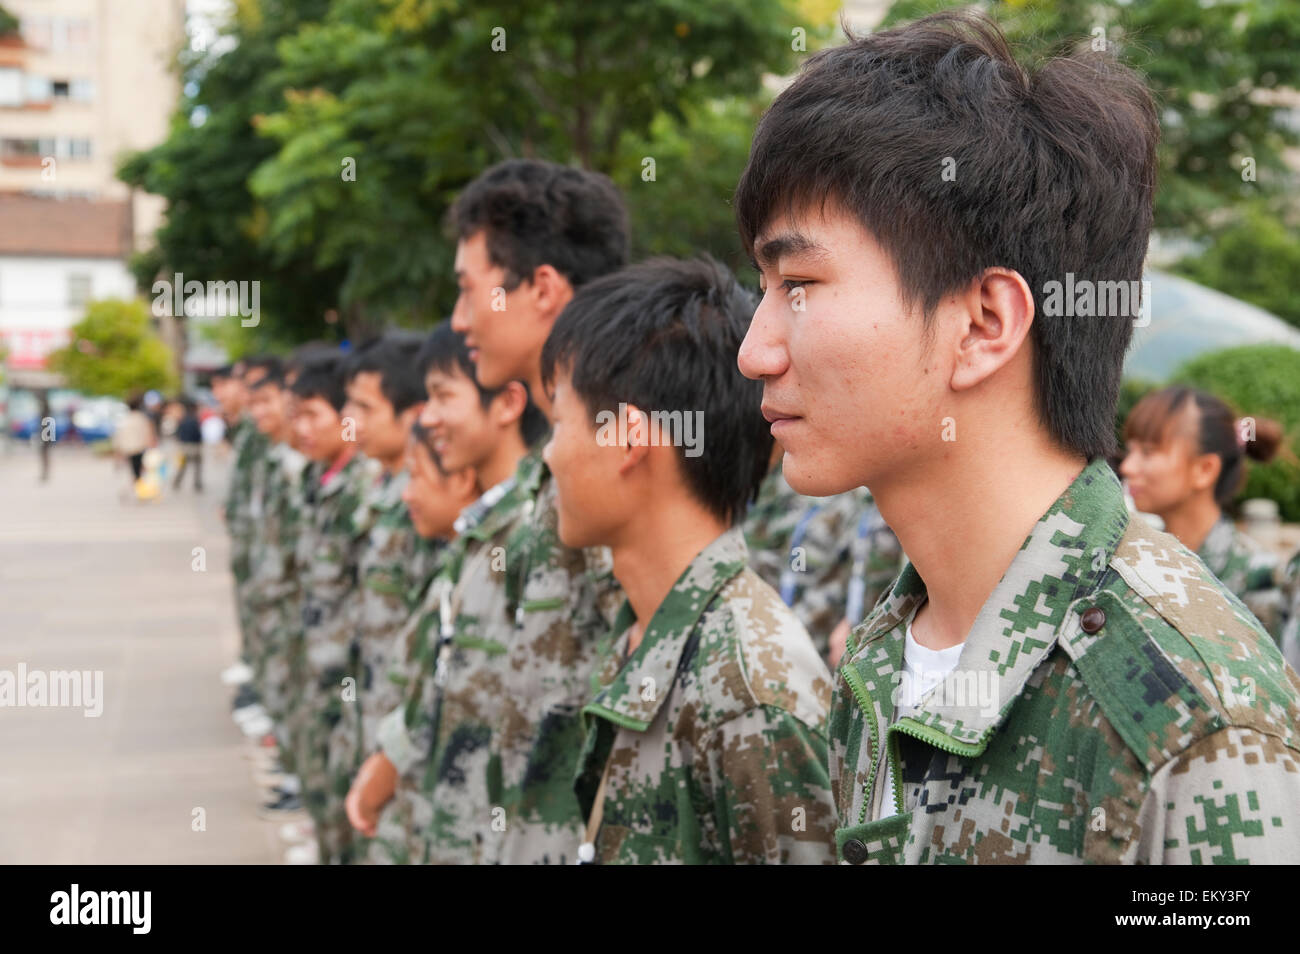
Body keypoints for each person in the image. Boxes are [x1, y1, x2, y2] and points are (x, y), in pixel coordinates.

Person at [734, 10, 1300, 863]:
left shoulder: (1195, 729)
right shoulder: (890, 655)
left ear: (984, 323)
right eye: (764, 287)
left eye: (801, 284)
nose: (754, 350)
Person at [543, 256, 837, 864]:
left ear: (626, 438)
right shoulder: (639, 625)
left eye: (557, 421)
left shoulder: (751, 693)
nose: (548, 456)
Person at [449, 158, 631, 863]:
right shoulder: (547, 466)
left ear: (542, 288)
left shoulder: (624, 463)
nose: (460, 321)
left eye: (470, 292)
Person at [349, 323, 546, 863]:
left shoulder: (538, 536)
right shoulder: (482, 534)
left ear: (506, 405)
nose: (427, 416)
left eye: (442, 396)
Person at [329, 333, 432, 862]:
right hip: (370, 717)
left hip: (407, 747)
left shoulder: (430, 505)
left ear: (413, 413)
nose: (351, 420)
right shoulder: (382, 489)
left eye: (364, 408)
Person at [290, 351, 379, 864]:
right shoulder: (319, 479)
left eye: (311, 414)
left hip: (355, 680)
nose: (300, 428)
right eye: (295, 415)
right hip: (322, 668)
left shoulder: (365, 490)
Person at [1120, 386, 1287, 644]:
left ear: (1204, 469)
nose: (1127, 467)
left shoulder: (1260, 577)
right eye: (1130, 450)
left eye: (1147, 451)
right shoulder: (1137, 559)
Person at [744, 444, 905, 667]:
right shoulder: (789, 482)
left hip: (824, 645)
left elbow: (872, 568)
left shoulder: (864, 494)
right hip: (782, 634)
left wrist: (857, 621)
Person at [112, 394, 155, 494]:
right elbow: (148, 434)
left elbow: (119, 436)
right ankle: (137, 490)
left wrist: (118, 452)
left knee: (135, 471)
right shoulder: (142, 418)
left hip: (129, 449)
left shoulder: (125, 419)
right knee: (138, 471)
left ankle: (136, 489)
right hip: (140, 449)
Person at [173, 397, 204, 491]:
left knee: (182, 467)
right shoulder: (195, 420)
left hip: (184, 446)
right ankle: (197, 484)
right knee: (197, 466)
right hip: (194, 446)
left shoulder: (182, 419)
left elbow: (178, 433)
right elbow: (198, 434)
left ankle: (176, 482)